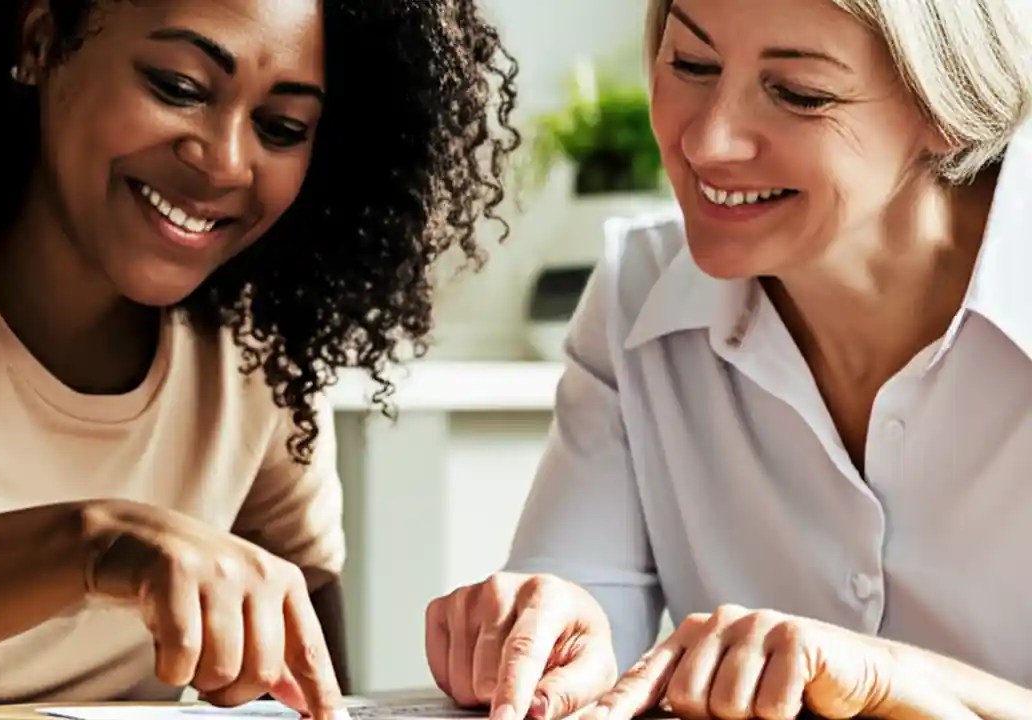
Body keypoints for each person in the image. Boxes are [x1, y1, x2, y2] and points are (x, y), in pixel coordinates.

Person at [0, 0, 519, 716]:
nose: (224, 162)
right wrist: (88, 546)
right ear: (41, 42)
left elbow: (312, 692)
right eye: (179, 87)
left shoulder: (252, 354)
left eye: (282, 128)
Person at [427, 0, 1032, 718]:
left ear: (952, 106)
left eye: (800, 94)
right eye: (691, 64)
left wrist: (883, 678)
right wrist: (546, 626)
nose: (709, 141)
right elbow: (588, 635)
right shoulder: (638, 291)